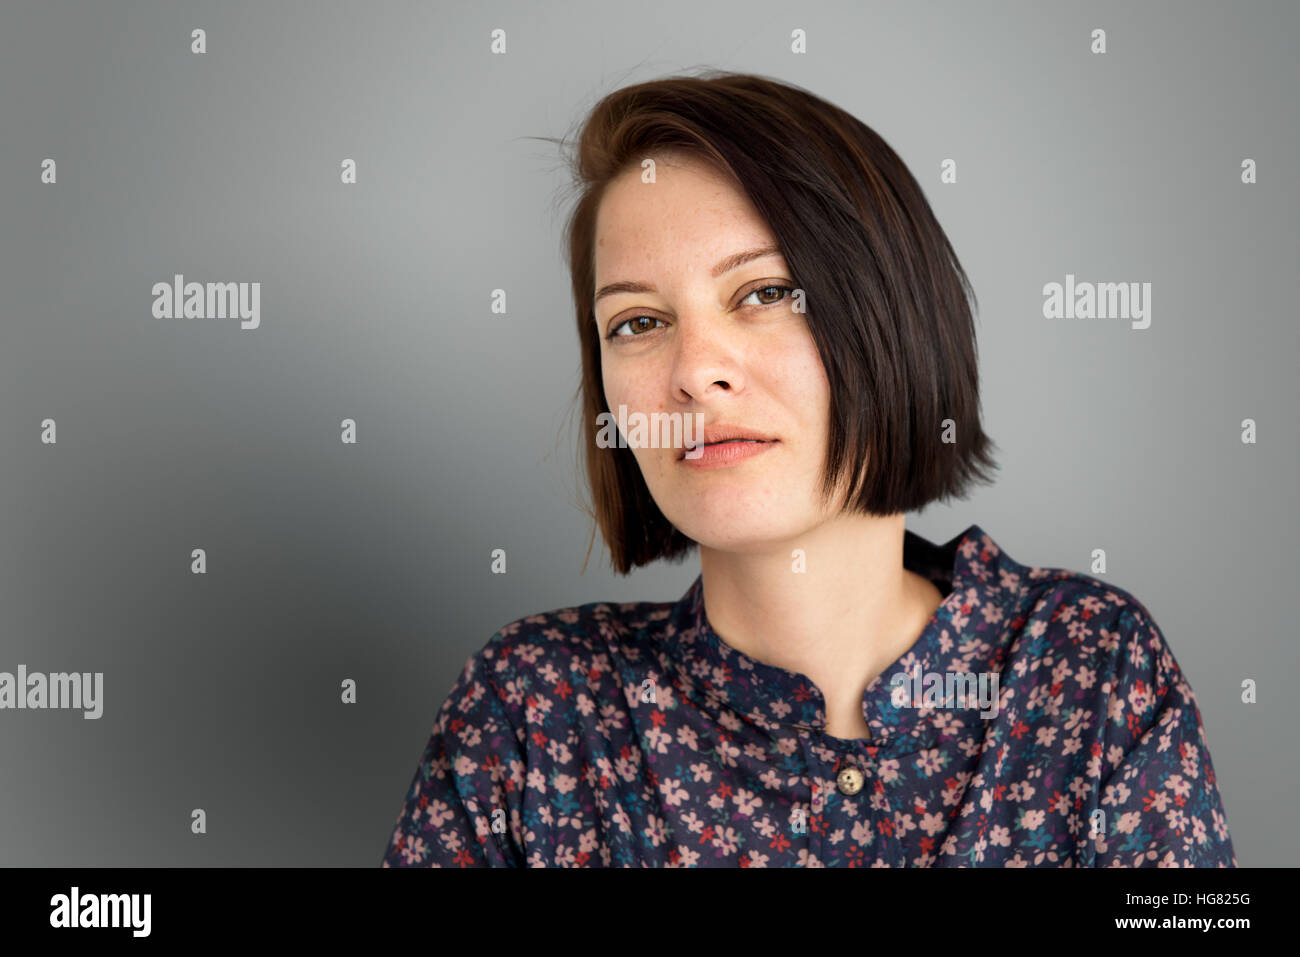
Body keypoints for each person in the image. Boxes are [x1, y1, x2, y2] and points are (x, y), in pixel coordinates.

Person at [381, 70, 1235, 867]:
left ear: (891, 315)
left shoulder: (1092, 668)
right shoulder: (533, 709)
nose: (694, 370)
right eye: (637, 322)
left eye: (763, 294)